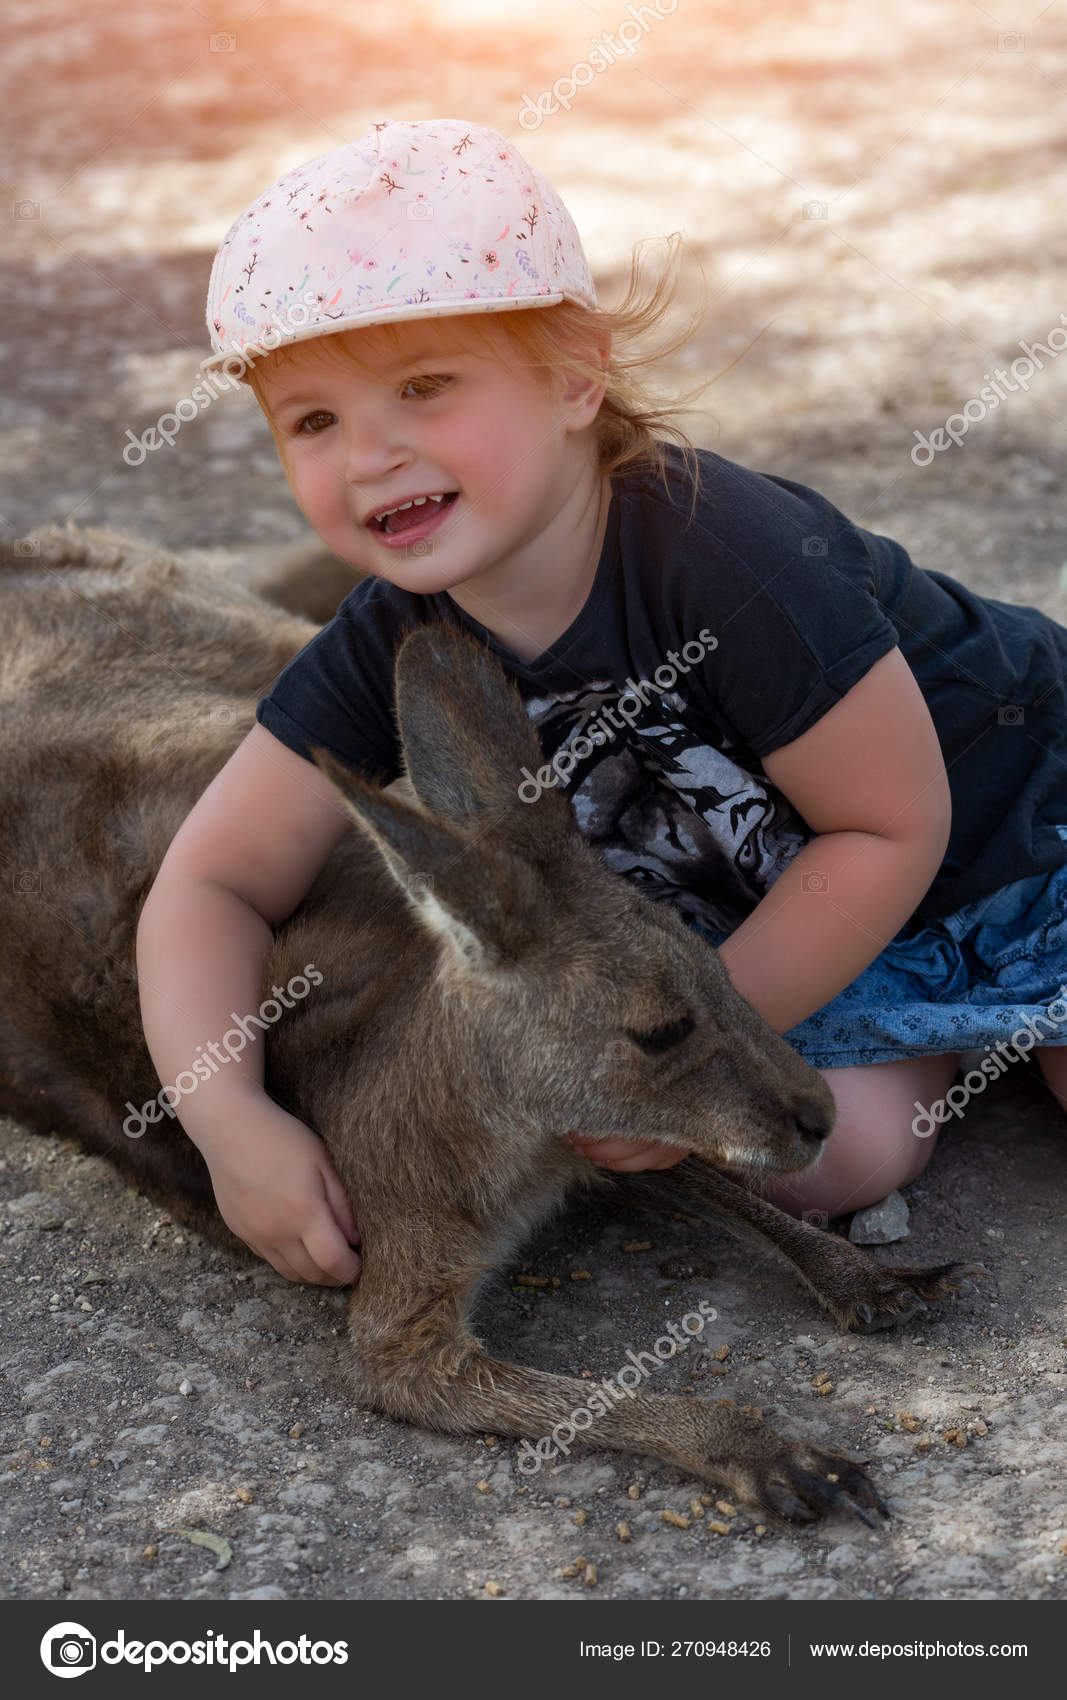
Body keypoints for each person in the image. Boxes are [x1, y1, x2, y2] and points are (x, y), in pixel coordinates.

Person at [137, 117, 1067, 1286]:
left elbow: (887, 825)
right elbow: (212, 880)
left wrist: (715, 1036)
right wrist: (227, 1122)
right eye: (313, 421)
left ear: (575, 378)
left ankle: (1001, 1018)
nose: (368, 451)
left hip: (1012, 832)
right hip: (812, 910)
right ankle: (952, 1037)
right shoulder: (390, 631)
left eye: (423, 387)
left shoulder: (722, 556)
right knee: (826, 1160)